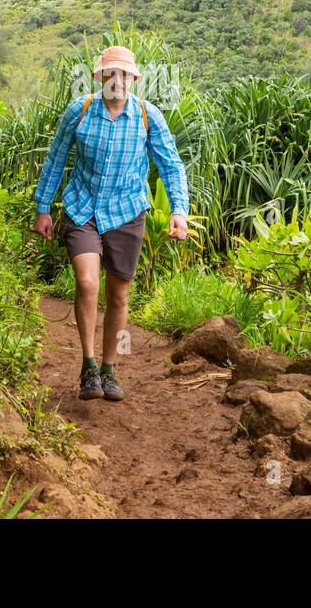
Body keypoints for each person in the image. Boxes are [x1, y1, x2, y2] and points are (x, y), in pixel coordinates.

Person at [32, 45, 190, 402]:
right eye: (110, 74)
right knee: (87, 282)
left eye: (124, 75)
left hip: (126, 212)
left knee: (118, 295)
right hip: (82, 208)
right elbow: (56, 159)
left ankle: (110, 368)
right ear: (99, 78)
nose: (116, 81)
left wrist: (179, 210)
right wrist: (43, 208)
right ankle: (88, 365)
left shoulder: (148, 117)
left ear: (134, 79)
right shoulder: (81, 111)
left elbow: (171, 165)